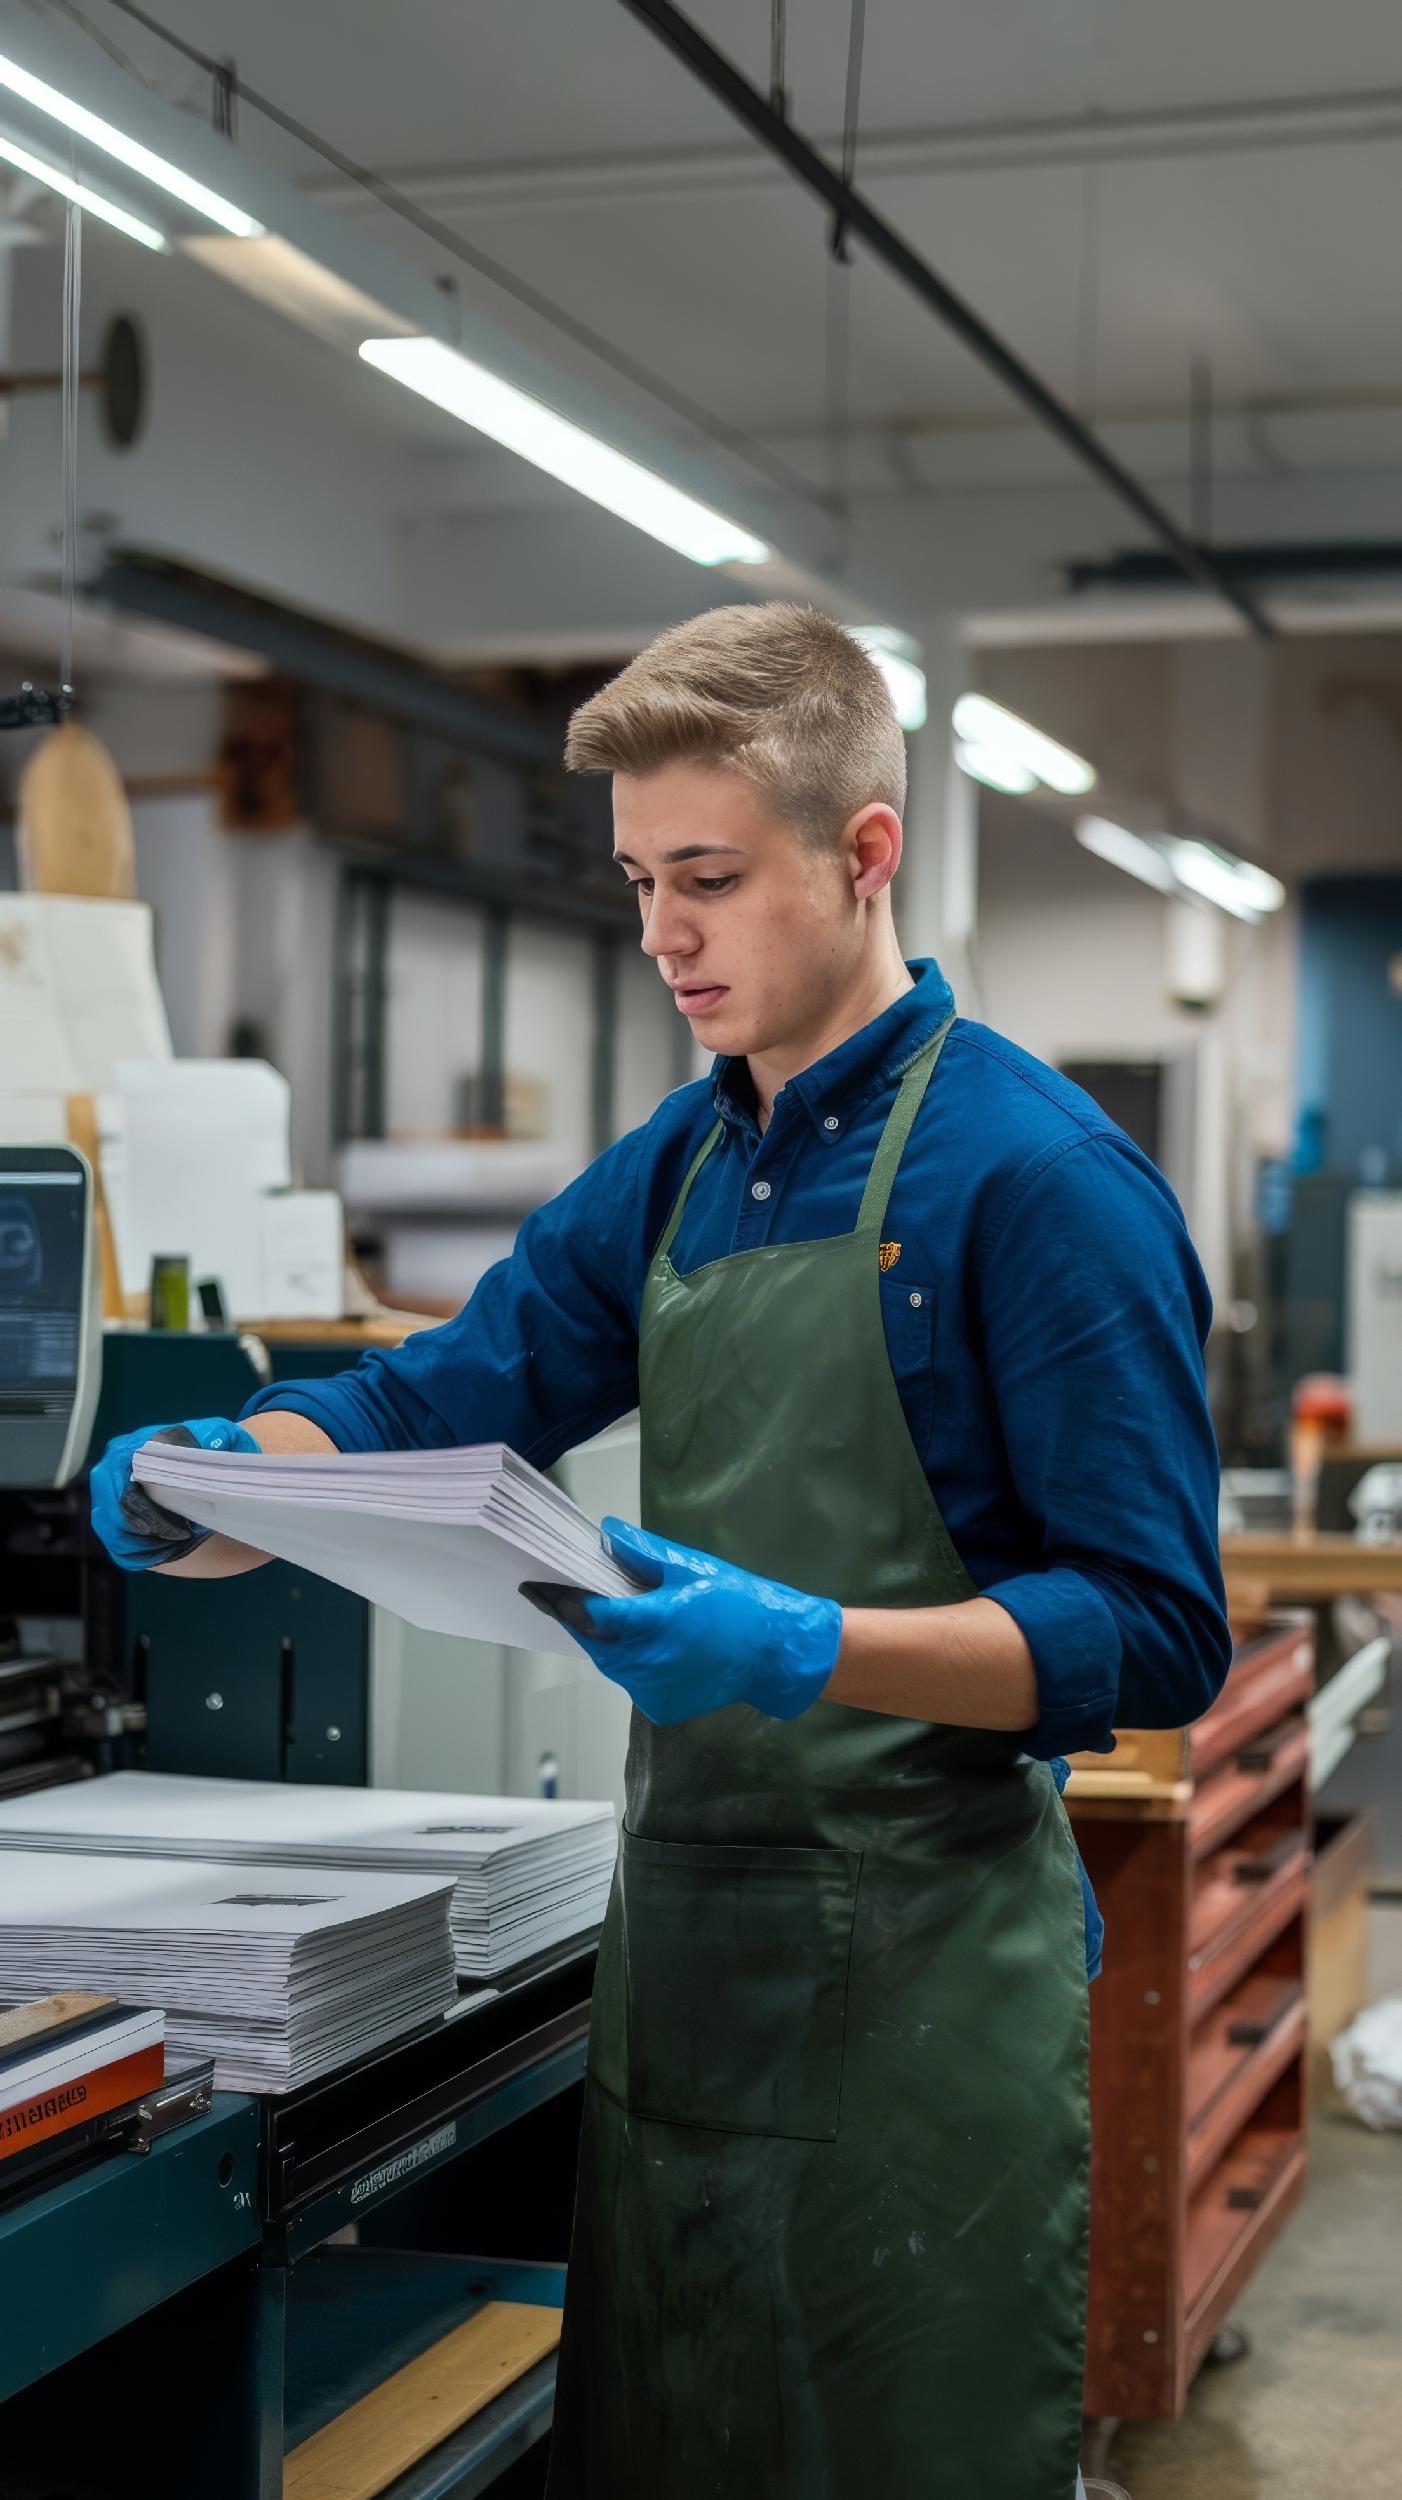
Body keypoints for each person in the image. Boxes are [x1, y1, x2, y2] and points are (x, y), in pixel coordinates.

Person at [92, 602, 1230, 2498]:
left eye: (705, 877)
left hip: (922, 2005)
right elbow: (432, 1403)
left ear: (863, 855)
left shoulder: (1034, 1180)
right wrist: (217, 1479)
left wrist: (808, 1645)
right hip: (689, 1977)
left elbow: (1152, 1626)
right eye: (637, 881)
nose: (659, 936)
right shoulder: (686, 1168)